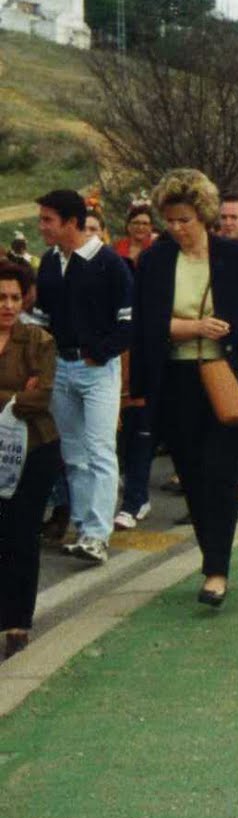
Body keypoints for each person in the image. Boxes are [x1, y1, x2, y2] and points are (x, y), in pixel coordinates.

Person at [130, 169, 238, 607]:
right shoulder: (154, 261)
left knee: (222, 472)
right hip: (177, 380)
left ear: (204, 216)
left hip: (229, 378)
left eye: (185, 219)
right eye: (169, 219)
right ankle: (212, 558)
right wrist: (191, 326)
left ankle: (217, 570)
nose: (176, 228)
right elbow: (144, 325)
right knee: (192, 474)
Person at [34, 188, 132, 565]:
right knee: (73, 454)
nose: (42, 227)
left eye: (48, 220)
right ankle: (81, 527)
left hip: (97, 372)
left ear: (71, 223)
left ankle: (97, 535)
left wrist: (100, 353)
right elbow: (43, 319)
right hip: (60, 369)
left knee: (100, 451)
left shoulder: (109, 263)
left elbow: (128, 322)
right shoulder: (49, 263)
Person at [0, 262, 61, 659]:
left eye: (14, 298)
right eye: (0, 298)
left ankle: (18, 621)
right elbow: (24, 395)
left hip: (33, 449)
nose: (7, 305)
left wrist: (20, 397)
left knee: (22, 535)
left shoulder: (39, 339)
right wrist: (15, 394)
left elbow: (42, 395)